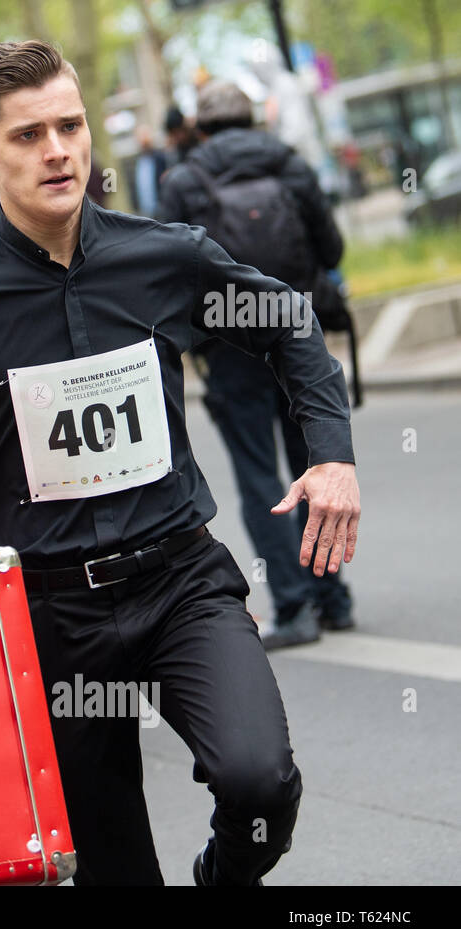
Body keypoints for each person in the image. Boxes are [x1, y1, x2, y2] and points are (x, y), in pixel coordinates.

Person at [0, 41, 360, 886]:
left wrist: (331, 456)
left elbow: (291, 325)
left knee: (259, 784)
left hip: (180, 583)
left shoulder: (167, 258)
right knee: (115, 866)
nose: (57, 150)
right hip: (49, 617)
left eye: (71, 126)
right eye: (28, 134)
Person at [155, 81, 354, 648]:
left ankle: (293, 607)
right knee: (317, 470)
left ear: (202, 126)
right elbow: (332, 248)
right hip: (300, 341)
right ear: (252, 117)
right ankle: (333, 597)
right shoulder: (290, 164)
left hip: (231, 350)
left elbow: (167, 272)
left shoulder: (187, 180)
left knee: (259, 478)